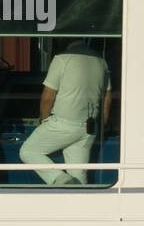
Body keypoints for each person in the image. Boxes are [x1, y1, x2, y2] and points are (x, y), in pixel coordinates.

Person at [19, 39, 112, 185]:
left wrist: (43, 120)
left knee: (28, 151)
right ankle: (80, 203)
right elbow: (107, 97)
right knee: (78, 172)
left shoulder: (62, 59)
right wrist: (103, 124)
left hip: (64, 124)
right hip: (89, 127)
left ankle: (60, 179)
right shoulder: (101, 61)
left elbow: (48, 97)